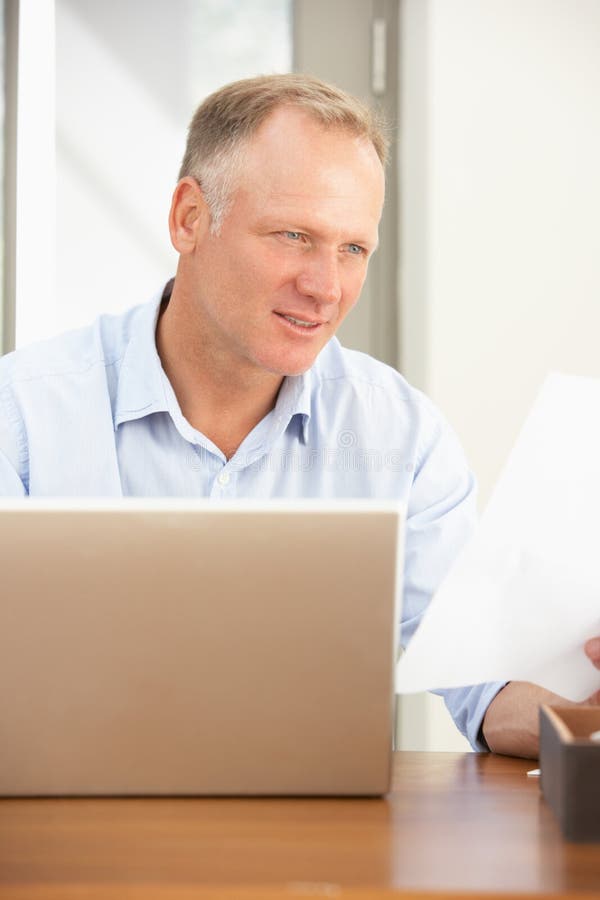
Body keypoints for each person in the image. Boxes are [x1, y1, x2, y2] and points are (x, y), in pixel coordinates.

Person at [0, 74, 598, 756]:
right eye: (293, 236)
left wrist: (574, 714)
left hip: (319, 850)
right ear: (190, 218)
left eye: (352, 249)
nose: (325, 287)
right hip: (64, 834)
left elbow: (481, 679)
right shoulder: (21, 415)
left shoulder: (399, 435)